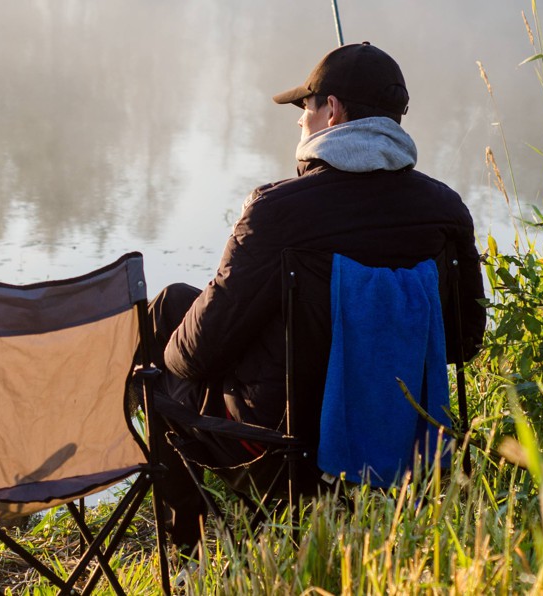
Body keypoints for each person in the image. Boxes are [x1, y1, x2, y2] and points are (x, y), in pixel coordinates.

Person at [147, 42, 488, 548]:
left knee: (163, 321)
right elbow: (463, 343)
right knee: (186, 304)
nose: (300, 121)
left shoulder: (276, 212)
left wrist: (252, 224)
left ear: (331, 111)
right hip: (407, 443)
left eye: (305, 108)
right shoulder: (445, 211)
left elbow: (194, 355)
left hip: (283, 453)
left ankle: (189, 540)